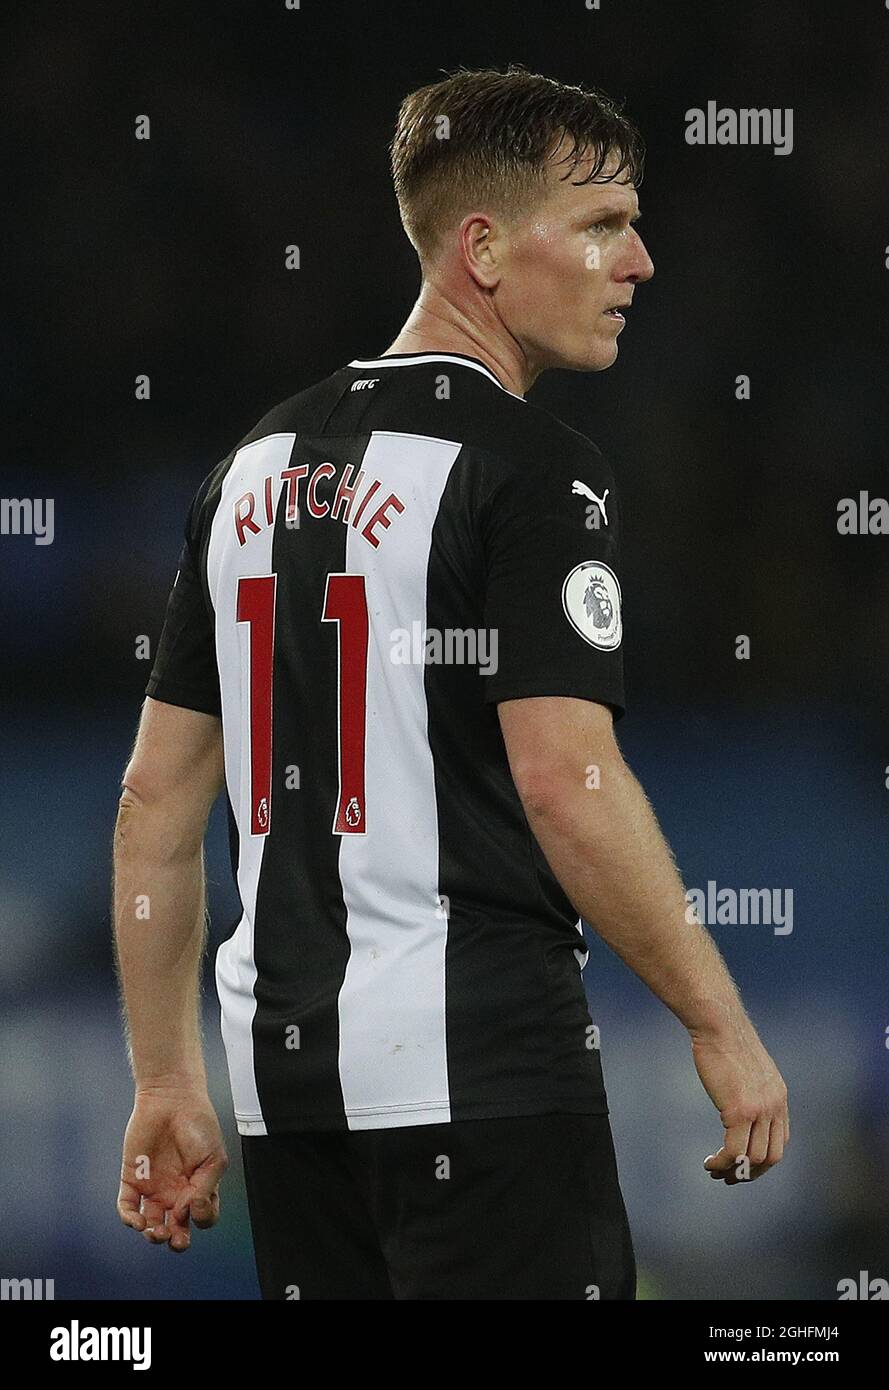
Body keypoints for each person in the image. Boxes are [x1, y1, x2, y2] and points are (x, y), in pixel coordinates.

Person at [113, 65, 788, 1300]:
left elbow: (154, 806)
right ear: (480, 248)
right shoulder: (532, 469)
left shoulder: (247, 469)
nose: (637, 262)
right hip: (481, 1082)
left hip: (290, 1097)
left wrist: (166, 1080)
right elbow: (567, 782)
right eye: (601, 226)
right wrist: (718, 1020)